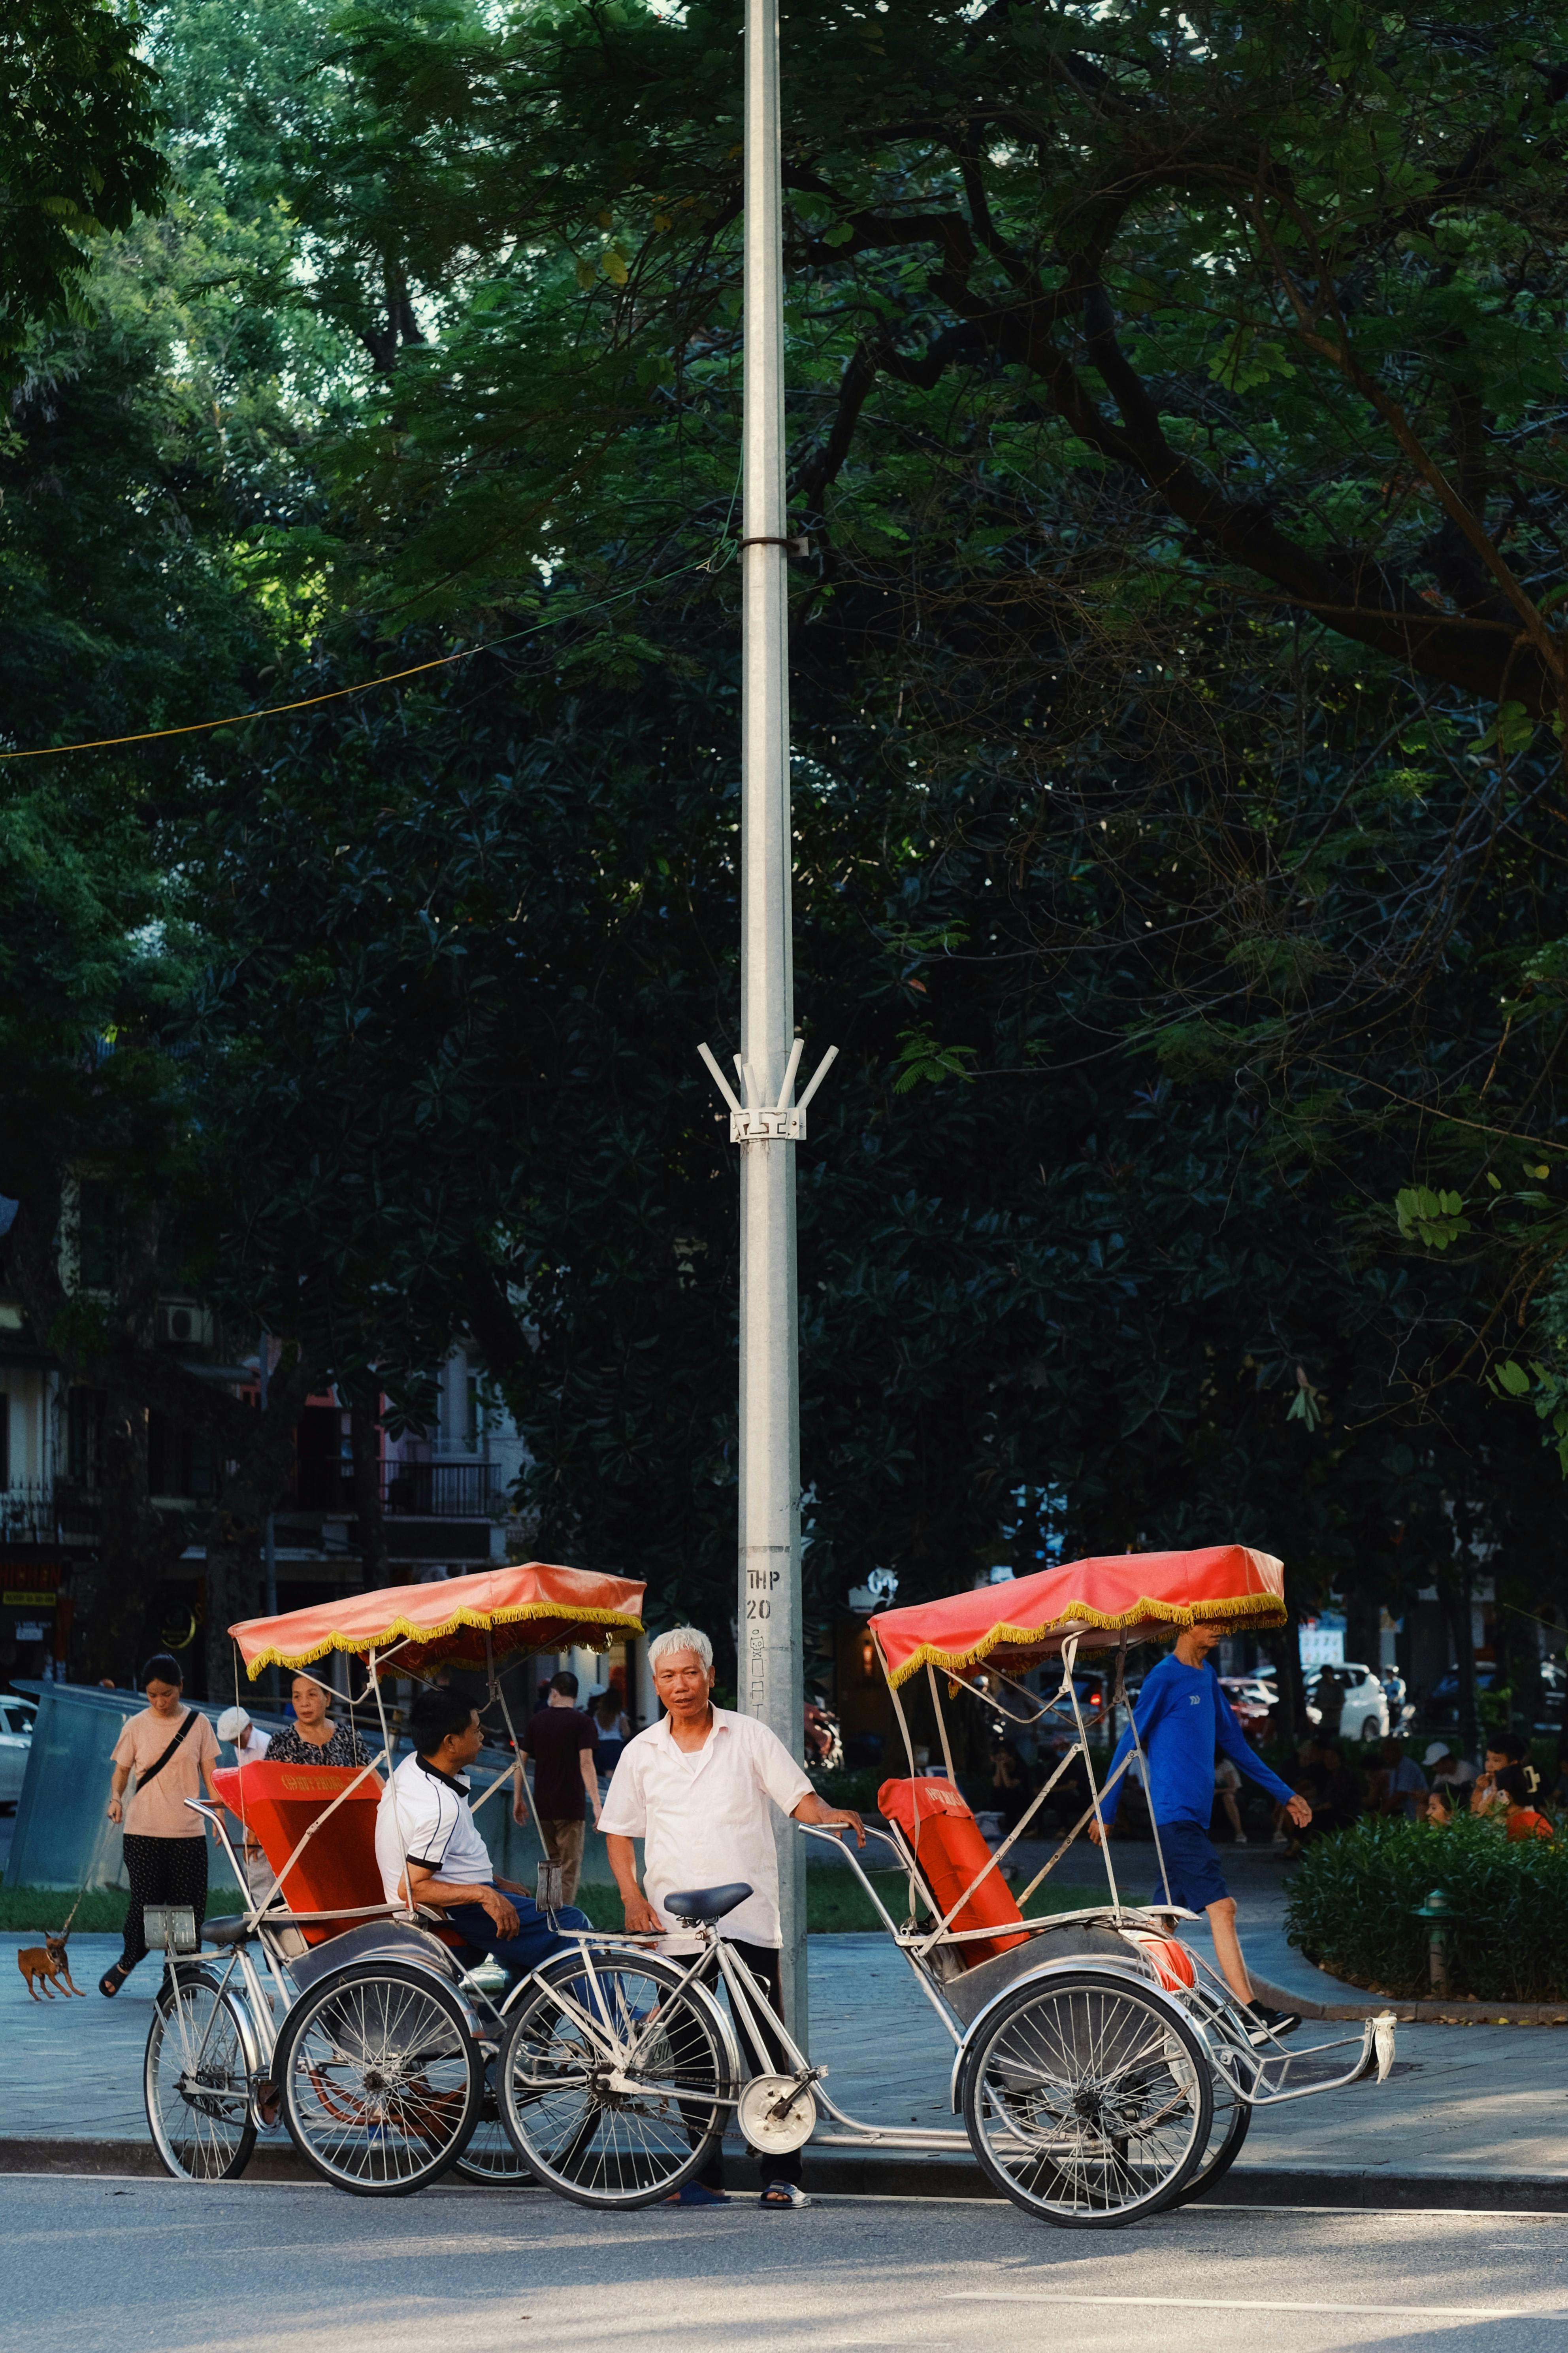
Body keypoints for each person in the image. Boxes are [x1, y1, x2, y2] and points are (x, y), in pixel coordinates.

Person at [599, 1625, 866, 2208]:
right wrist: (631, 1899)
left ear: (712, 1676)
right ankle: (702, 2174)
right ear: (655, 1684)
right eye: (668, 1676)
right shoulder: (641, 1752)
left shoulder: (748, 1736)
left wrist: (831, 1815)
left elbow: (800, 1799)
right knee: (691, 2047)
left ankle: (783, 2173)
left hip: (747, 1916)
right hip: (675, 1923)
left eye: (690, 1673)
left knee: (765, 2042)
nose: (680, 1685)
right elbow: (618, 1832)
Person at [1093, 1620, 1310, 2037]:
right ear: (1186, 1625)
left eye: (1224, 1623)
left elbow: (1236, 1746)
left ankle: (1139, 2018)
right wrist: (1106, 1807)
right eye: (1211, 1622)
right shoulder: (1164, 1677)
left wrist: (1284, 1793)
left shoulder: (1206, 1675)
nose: (1222, 1629)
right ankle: (1250, 2016)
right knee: (1221, 1906)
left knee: (1162, 1923)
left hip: (1193, 1817)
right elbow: (1129, 1741)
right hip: (1174, 1816)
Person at [376, 1685, 592, 1978]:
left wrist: (497, 1882)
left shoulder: (413, 1765)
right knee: (569, 1922)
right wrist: (485, 1894)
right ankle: (617, 2018)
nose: (482, 1737)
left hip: (470, 1891)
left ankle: (507, 2019)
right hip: (452, 1912)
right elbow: (411, 1888)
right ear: (450, 1742)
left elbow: (449, 1860)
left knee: (539, 1926)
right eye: (476, 1730)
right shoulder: (439, 1807)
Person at [100, 1655, 223, 1997]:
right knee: (146, 1902)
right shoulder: (136, 1725)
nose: (160, 1701)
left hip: (187, 1830)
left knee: (187, 1905)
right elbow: (122, 1771)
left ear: (180, 1687)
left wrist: (219, 1814)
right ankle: (130, 1957)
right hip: (143, 1831)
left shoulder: (199, 1724)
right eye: (153, 1695)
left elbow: (210, 1772)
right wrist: (115, 1798)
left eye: (167, 1693)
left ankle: (182, 1971)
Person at [513, 1669, 601, 1907]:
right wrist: (596, 1804)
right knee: (568, 1869)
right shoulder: (583, 1723)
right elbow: (586, 1764)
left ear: (554, 1692)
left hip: (542, 1805)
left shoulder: (537, 1721)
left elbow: (519, 1762)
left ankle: (548, 1919)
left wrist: (518, 1798)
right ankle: (564, 1924)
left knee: (550, 1866)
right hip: (570, 1805)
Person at [266, 1672, 375, 1769]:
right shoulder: (281, 1741)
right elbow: (271, 1785)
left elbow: (370, 1780)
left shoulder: (349, 1736)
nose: (304, 1704)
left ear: (327, 1698)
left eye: (312, 1695)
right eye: (297, 1697)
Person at [1370, 1736, 1427, 1820]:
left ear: (1397, 1751)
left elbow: (1400, 1795)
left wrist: (1380, 1814)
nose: (1385, 1755)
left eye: (1388, 1751)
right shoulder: (1394, 1769)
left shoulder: (1407, 1767)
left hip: (1416, 1815)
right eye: (1383, 1752)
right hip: (1406, 1815)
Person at [590, 1684, 632, 1784]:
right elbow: (627, 1733)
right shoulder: (620, 1715)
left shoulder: (597, 1715)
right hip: (614, 1745)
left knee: (602, 1774)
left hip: (600, 1745)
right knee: (612, 1774)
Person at [1213, 1750, 1246, 1844]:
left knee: (1228, 1798)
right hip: (1216, 1798)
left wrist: (1217, 1791)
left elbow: (1233, 1789)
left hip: (1235, 1796)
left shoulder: (1226, 1766)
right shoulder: (1206, 1765)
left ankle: (1240, 1832)